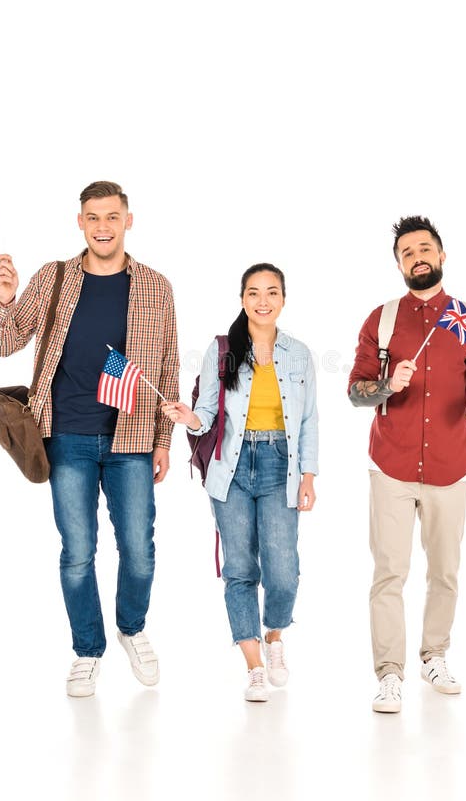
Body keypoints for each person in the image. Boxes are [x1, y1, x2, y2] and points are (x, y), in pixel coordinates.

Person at [0, 180, 179, 697]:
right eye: (93, 217)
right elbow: (6, 342)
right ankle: (87, 649)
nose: (102, 227)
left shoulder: (156, 286)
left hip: (131, 437)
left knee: (139, 550)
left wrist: (163, 440)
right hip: (66, 434)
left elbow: (168, 366)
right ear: (80, 222)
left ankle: (131, 629)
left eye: (112, 216)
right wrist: (6, 298)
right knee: (77, 552)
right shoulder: (54, 277)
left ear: (128, 221)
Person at [348, 216, 466, 713]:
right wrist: (388, 385)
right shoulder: (382, 320)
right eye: (407, 252)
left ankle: (434, 656)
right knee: (389, 573)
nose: (417, 257)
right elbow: (355, 392)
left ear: (441, 255)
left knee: (445, 571)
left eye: (424, 249)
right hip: (391, 465)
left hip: (451, 466)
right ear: (399, 264)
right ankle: (389, 673)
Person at [163, 263, 318, 702]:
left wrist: (309, 476)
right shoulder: (223, 350)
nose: (262, 300)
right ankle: (254, 667)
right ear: (242, 299)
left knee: (283, 572)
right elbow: (207, 413)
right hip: (230, 467)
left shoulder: (299, 353)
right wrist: (189, 418)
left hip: (280, 465)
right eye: (254, 292)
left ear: (283, 299)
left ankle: (274, 636)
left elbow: (308, 420)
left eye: (271, 292)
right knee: (240, 569)